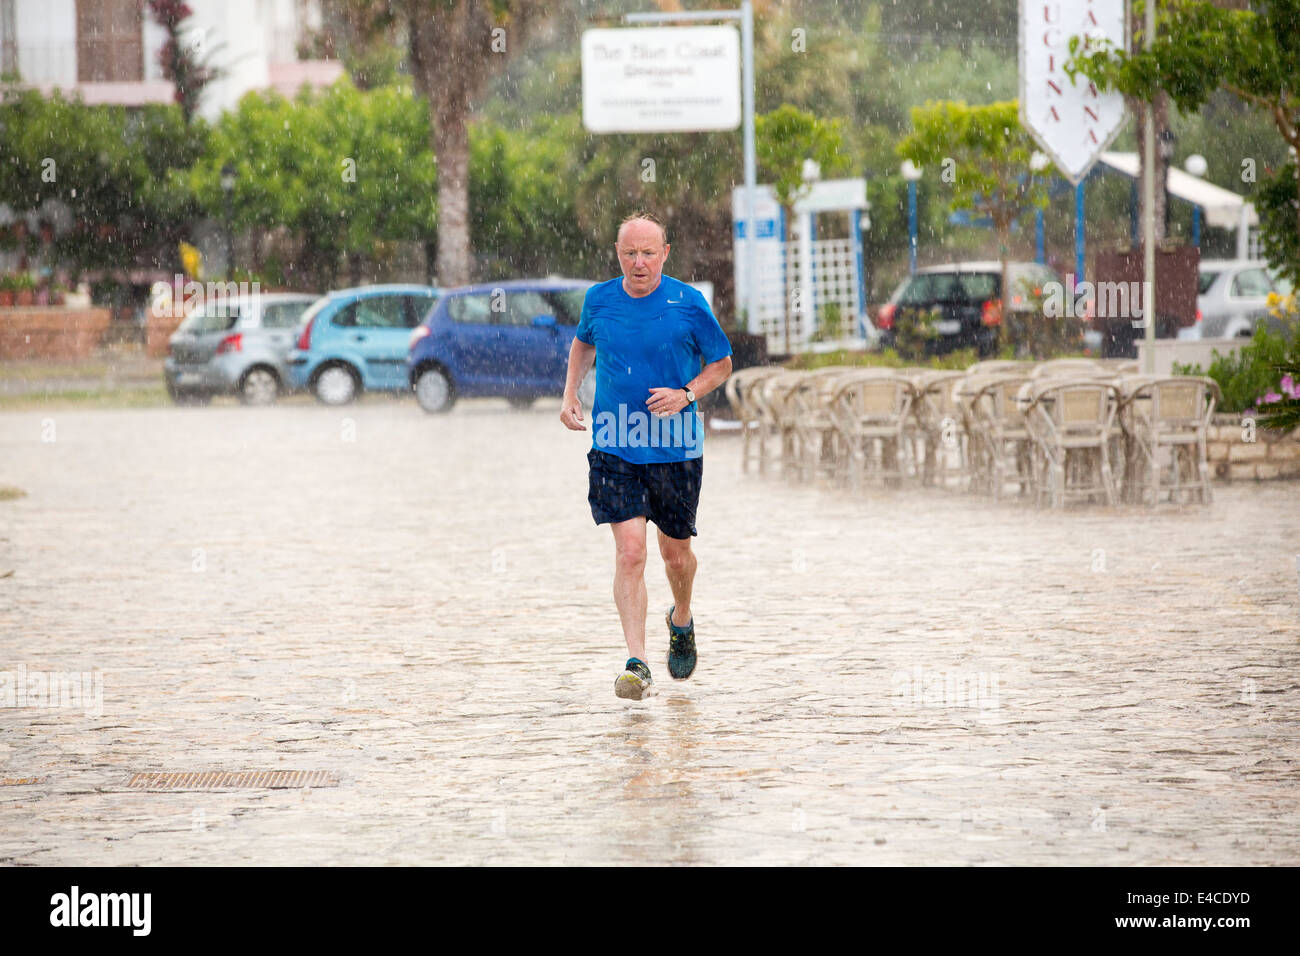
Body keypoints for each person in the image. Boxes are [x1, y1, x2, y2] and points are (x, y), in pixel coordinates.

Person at [560, 213, 733, 700]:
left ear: (666, 253)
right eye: (629, 253)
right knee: (630, 551)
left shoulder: (688, 302)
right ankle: (637, 663)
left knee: (674, 555)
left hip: (676, 447)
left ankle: (681, 619)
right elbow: (582, 344)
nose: (639, 263)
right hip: (615, 443)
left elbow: (721, 363)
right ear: (617, 253)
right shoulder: (599, 299)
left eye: (648, 253)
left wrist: (686, 393)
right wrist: (570, 393)